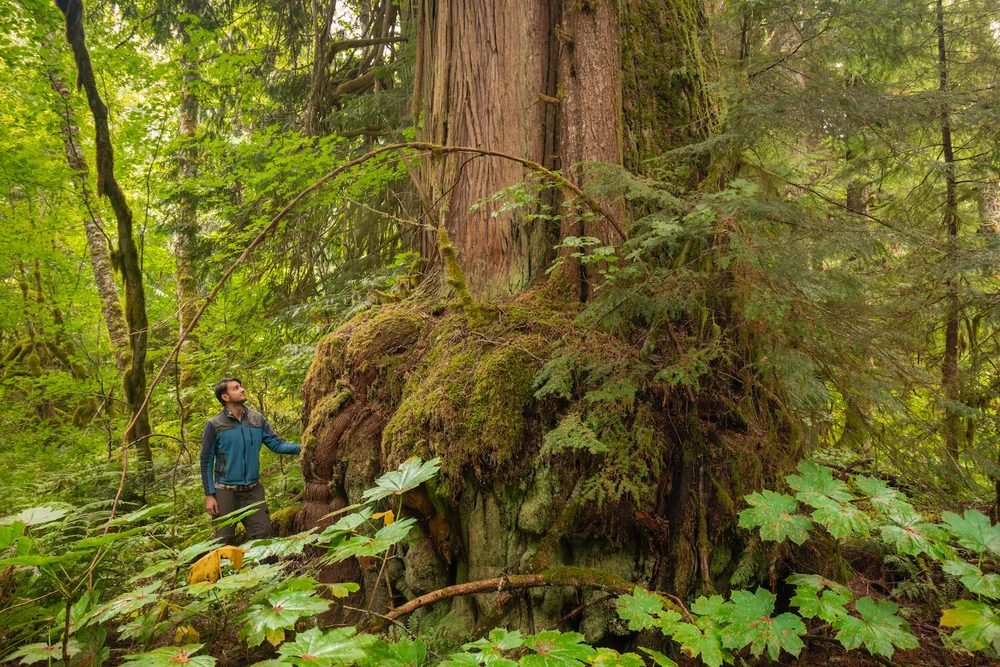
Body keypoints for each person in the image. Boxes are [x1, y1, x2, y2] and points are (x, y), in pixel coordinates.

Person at [200, 378, 300, 546]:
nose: (242, 390)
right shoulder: (214, 424)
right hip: (225, 492)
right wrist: (209, 495)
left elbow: (277, 445)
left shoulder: (257, 420)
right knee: (222, 542)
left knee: (264, 538)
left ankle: (266, 564)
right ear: (225, 397)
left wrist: (303, 447)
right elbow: (206, 461)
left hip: (253, 491)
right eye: (236, 388)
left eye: (240, 387)